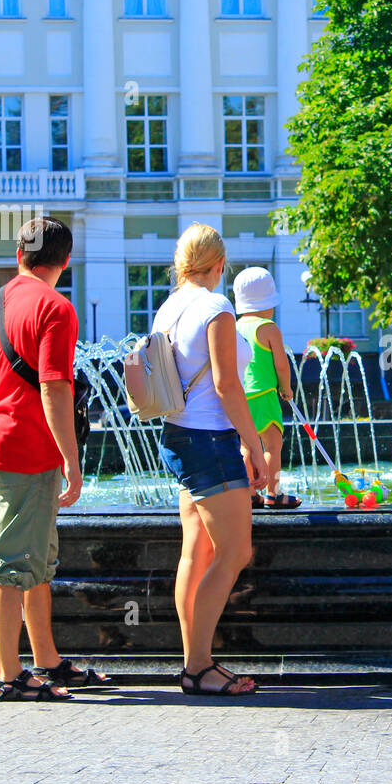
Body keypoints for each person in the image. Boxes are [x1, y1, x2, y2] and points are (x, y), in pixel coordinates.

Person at [0, 216, 106, 701]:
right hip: (26, 452)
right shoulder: (56, 308)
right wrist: (72, 458)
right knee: (11, 567)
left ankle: (46, 661)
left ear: (18, 257)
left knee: (37, 564)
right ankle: (7, 675)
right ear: (66, 262)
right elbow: (54, 385)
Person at [153, 224, 269, 696]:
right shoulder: (216, 307)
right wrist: (254, 445)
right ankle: (198, 666)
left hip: (179, 436)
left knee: (196, 553)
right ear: (221, 265)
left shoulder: (168, 308)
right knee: (235, 552)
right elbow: (226, 385)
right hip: (211, 441)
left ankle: (194, 661)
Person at [233, 267, 299, 509]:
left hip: (239, 397)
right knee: (273, 445)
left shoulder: (234, 327)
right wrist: (286, 387)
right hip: (264, 394)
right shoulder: (268, 327)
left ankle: (251, 494)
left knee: (247, 445)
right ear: (269, 302)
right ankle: (273, 493)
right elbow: (281, 364)